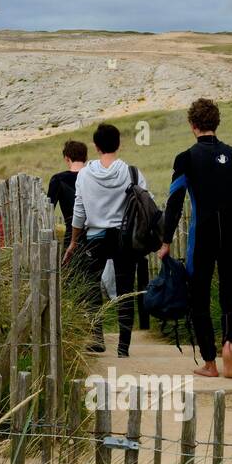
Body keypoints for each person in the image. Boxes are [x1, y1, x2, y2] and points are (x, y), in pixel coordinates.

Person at [158, 98, 232, 379]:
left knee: (199, 297)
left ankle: (210, 362)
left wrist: (166, 241)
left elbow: (175, 202)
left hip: (202, 235)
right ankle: (229, 344)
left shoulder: (186, 158)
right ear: (216, 123)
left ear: (192, 126)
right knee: (230, 294)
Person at [64, 123, 148, 356]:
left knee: (91, 289)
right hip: (124, 238)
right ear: (118, 143)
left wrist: (73, 242)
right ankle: (123, 347)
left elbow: (79, 211)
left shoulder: (84, 175)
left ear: (96, 146)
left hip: (95, 238)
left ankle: (97, 337)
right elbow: (145, 205)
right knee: (125, 291)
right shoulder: (133, 173)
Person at [47, 139, 87, 233]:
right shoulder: (95, 175)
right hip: (98, 233)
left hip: (72, 234)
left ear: (66, 158)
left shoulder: (58, 179)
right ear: (85, 157)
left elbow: (48, 210)